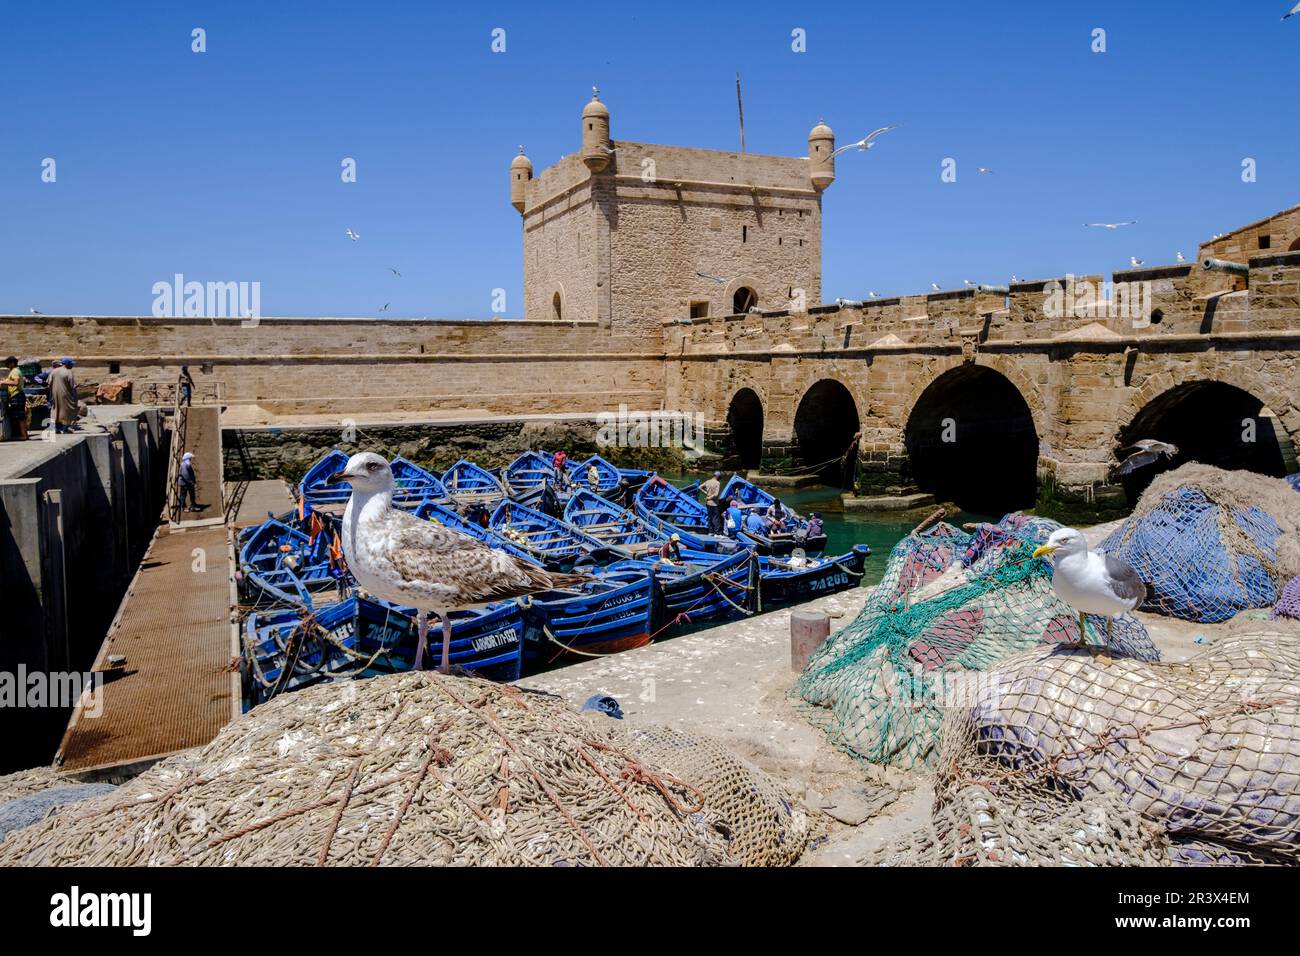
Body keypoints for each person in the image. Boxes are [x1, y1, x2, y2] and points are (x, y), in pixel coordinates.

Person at [49, 358, 79, 433]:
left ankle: (55, 428)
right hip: (66, 395)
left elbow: (49, 383)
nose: (72, 365)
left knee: (56, 410)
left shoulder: (54, 371)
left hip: (55, 395)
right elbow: (73, 386)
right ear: (67, 364)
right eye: (71, 364)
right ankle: (66, 428)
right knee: (68, 410)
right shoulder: (68, 372)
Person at [2, 356, 28, 441]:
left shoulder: (15, 371)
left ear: (12, 363)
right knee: (21, 416)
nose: (7, 365)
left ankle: (23, 435)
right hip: (17, 395)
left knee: (19, 416)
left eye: (8, 364)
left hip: (16, 395)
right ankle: (25, 435)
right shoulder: (14, 371)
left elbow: (16, 382)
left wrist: (3, 382)